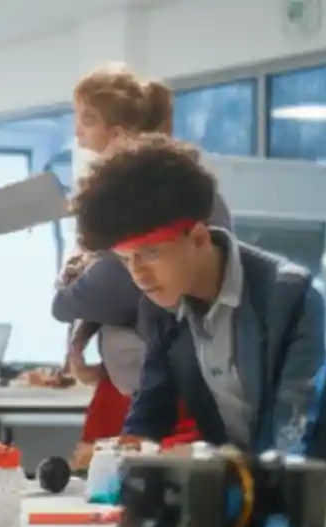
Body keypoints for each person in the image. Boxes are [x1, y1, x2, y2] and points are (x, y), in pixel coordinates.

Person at [73, 133, 326, 510]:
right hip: (252, 490)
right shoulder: (160, 307)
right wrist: (125, 448)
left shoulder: (290, 295)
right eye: (125, 260)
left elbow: (291, 426)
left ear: (199, 238)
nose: (138, 274)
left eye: (150, 254)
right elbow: (154, 403)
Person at [50, 63, 233, 466]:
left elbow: (88, 296)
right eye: (126, 257)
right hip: (147, 391)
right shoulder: (160, 293)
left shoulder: (154, 208)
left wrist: (73, 287)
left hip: (177, 402)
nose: (78, 133)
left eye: (88, 120)